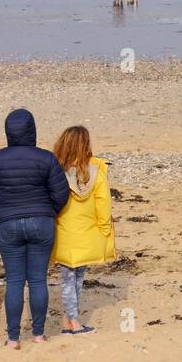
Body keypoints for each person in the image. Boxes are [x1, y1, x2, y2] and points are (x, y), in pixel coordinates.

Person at [0, 109, 70, 349]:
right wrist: (48, 211)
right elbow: (61, 194)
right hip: (41, 221)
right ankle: (39, 334)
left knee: (15, 281)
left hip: (9, 223)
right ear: (32, 130)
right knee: (38, 279)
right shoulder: (46, 158)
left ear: (8, 132)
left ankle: (13, 338)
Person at [50, 126, 115, 335]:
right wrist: (105, 230)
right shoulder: (97, 173)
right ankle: (74, 322)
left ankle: (69, 320)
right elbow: (103, 207)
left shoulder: (55, 171)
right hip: (87, 232)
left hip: (63, 232)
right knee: (76, 277)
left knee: (68, 277)